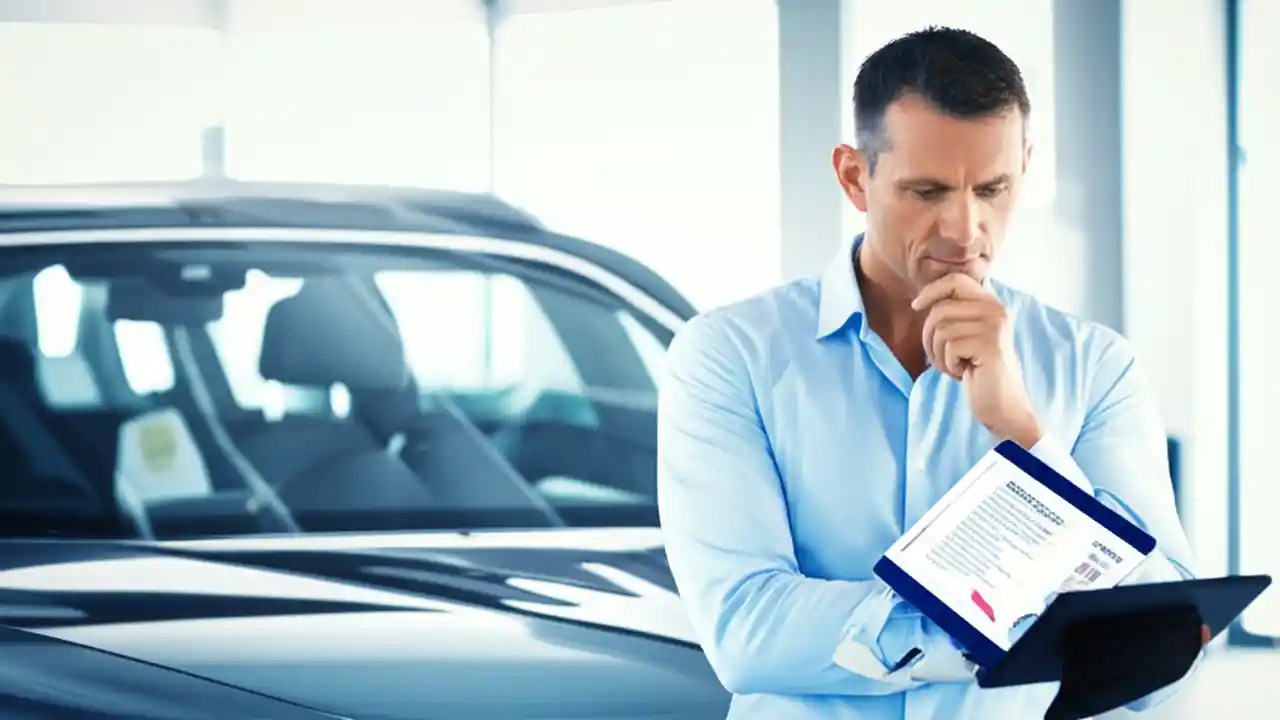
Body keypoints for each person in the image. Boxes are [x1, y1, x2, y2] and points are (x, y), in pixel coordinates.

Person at [656, 26, 1197, 719]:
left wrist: (1026, 437)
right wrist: (1005, 624)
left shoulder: (1095, 369)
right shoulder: (729, 356)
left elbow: (1165, 658)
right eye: (928, 191)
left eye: (994, 188)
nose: (965, 230)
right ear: (856, 176)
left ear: (1025, 169)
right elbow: (746, 631)